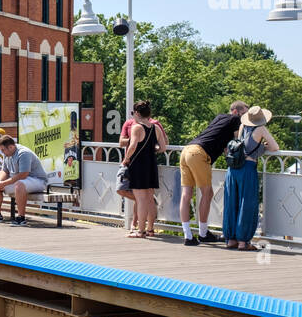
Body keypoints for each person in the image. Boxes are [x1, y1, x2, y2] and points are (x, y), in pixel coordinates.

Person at [179, 100, 249, 246]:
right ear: (236, 111)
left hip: (187, 150)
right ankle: (203, 233)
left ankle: (188, 235)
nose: (245, 119)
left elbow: (222, 141)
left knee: (186, 195)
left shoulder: (220, 117)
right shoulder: (235, 119)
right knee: (207, 193)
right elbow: (237, 141)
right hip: (200, 153)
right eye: (244, 114)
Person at [223, 105, 279, 250]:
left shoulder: (242, 126)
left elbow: (243, 144)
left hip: (233, 168)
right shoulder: (261, 129)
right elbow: (275, 147)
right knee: (246, 204)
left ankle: (231, 239)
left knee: (231, 203)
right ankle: (243, 241)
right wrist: (263, 147)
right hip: (247, 168)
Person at [119, 101, 166, 238]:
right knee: (150, 198)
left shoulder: (137, 127)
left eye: (133, 113)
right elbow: (162, 148)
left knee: (140, 199)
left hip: (139, 165)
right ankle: (150, 229)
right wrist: (151, 150)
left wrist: (126, 159)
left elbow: (132, 146)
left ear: (137, 113)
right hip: (151, 165)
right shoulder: (155, 128)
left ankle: (141, 231)